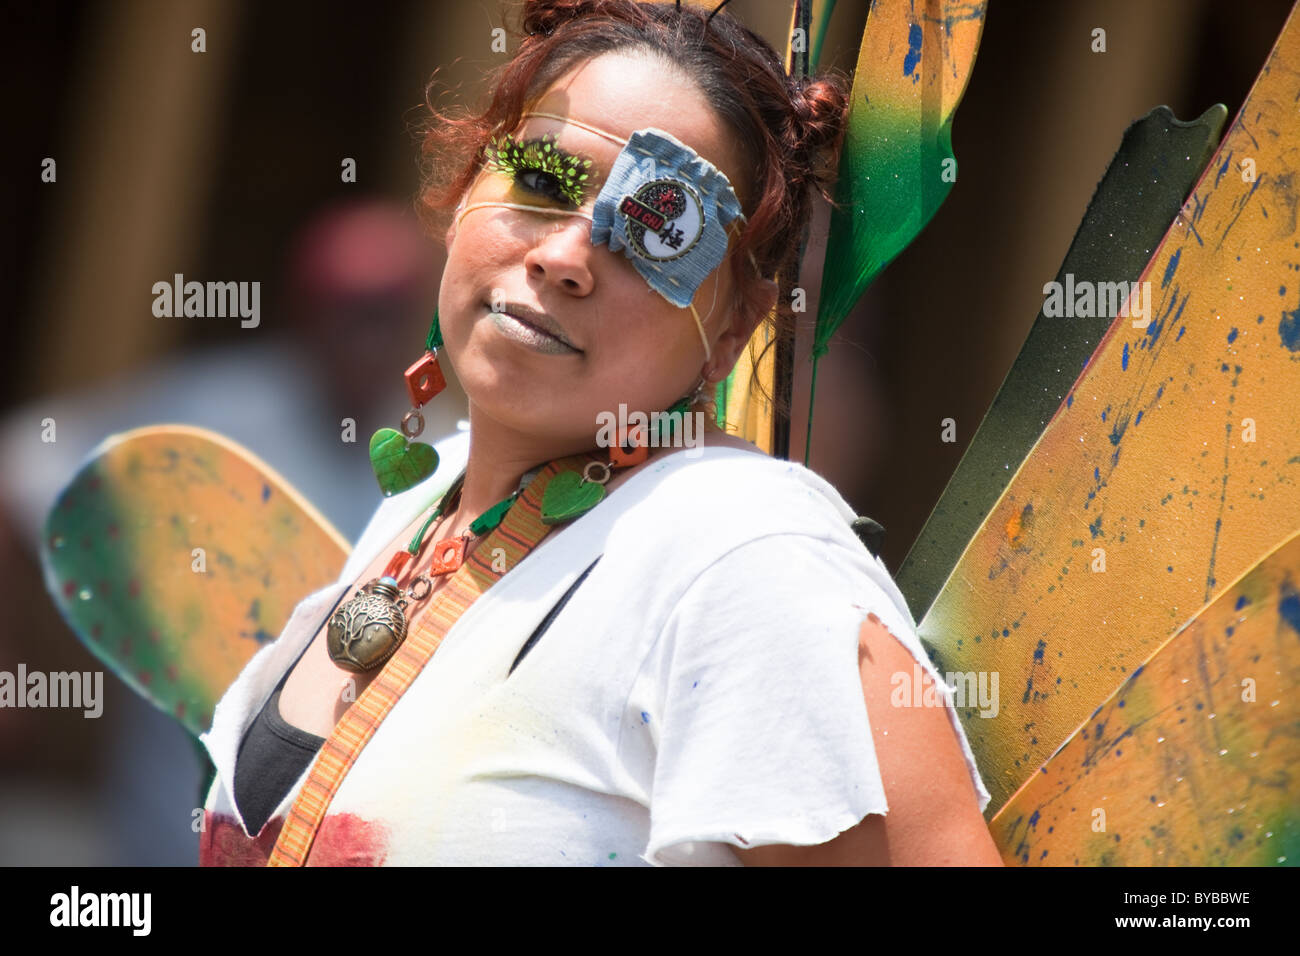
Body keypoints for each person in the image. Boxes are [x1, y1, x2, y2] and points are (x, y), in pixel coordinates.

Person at [198, 0, 1001, 866]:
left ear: (733, 328)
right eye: (540, 181)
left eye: (659, 231)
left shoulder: (746, 557)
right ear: (466, 190)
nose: (565, 258)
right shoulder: (427, 506)